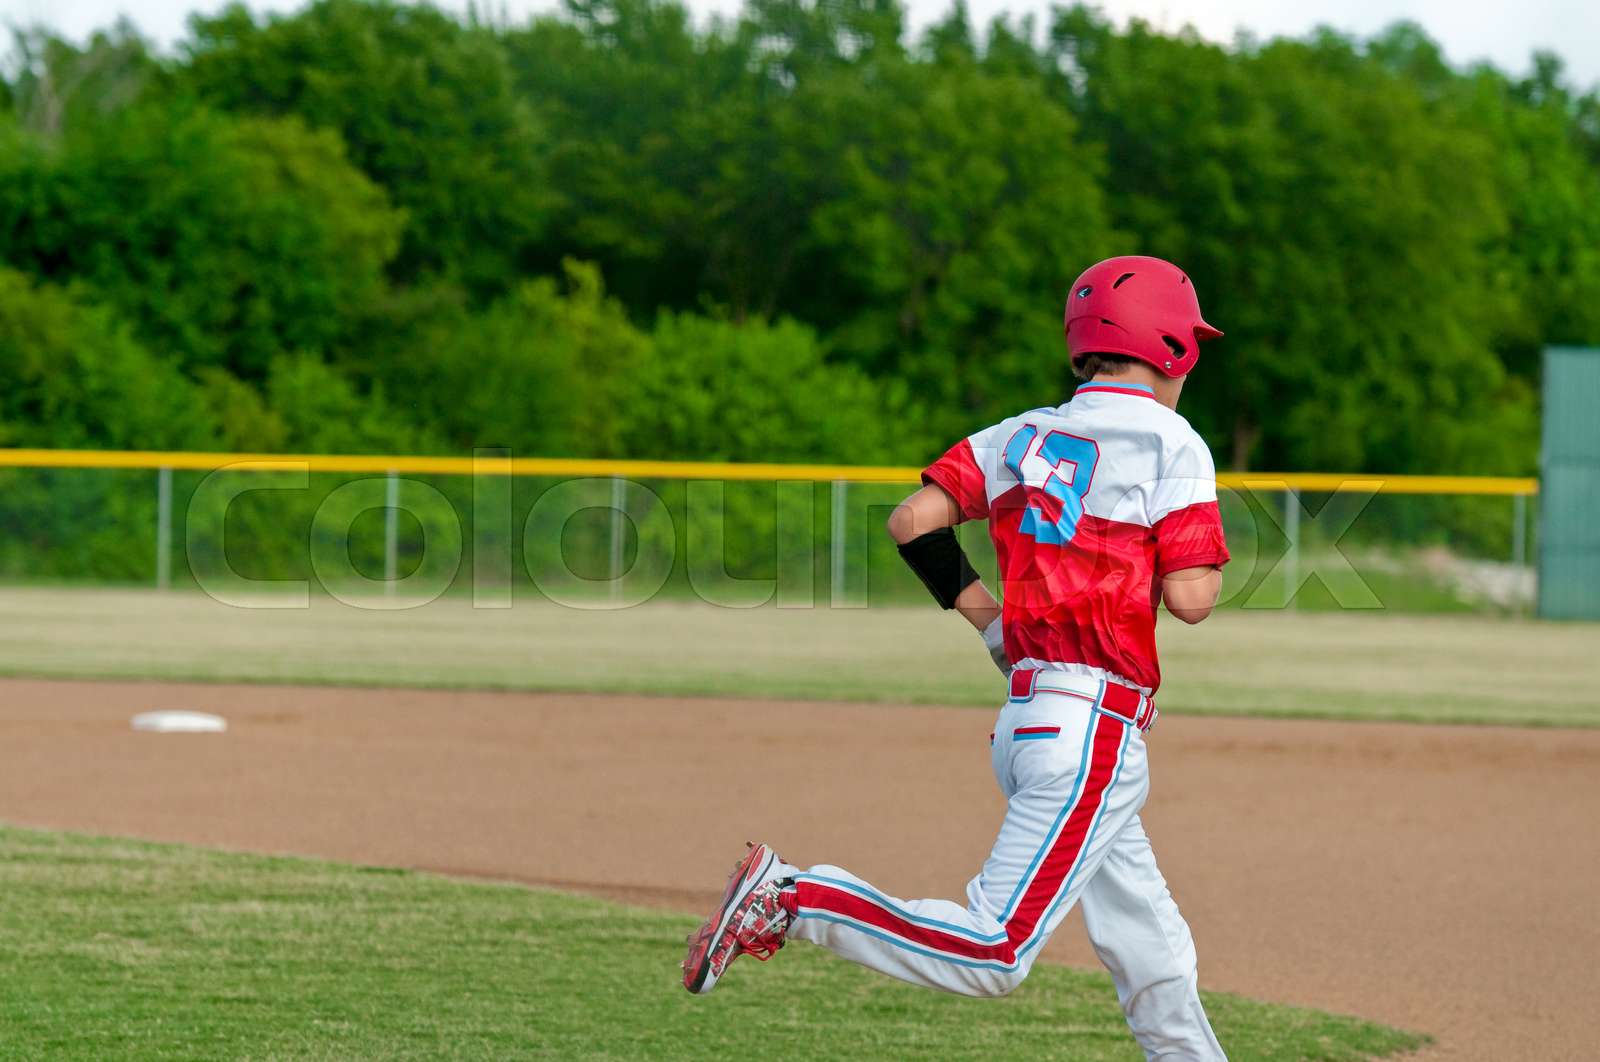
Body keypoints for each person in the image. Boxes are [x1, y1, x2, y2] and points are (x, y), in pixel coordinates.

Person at [682, 255, 1232, 1060]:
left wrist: (992, 627)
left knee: (1152, 947)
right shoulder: (1172, 440)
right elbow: (1191, 599)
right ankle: (792, 897)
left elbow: (913, 521)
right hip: (1091, 733)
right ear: (1172, 348)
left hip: (1030, 722)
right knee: (995, 952)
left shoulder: (1021, 432)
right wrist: (1204, 556)